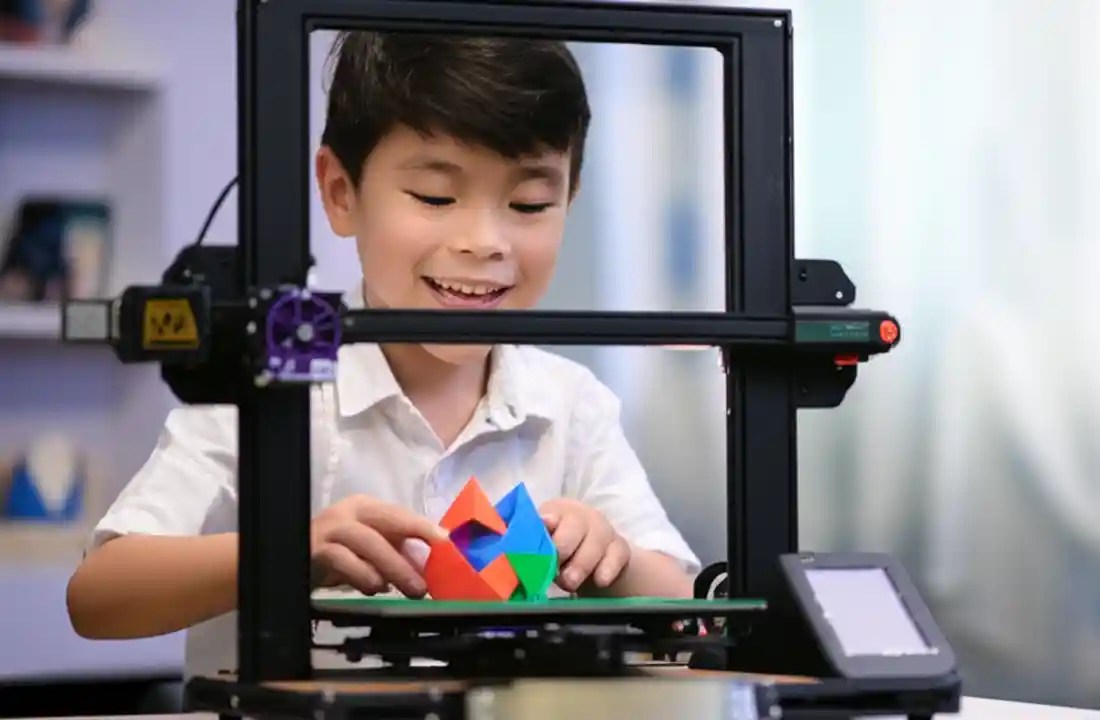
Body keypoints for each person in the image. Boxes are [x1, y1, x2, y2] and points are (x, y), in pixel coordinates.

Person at [65, 31, 699, 678]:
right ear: (341, 192)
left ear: (570, 199)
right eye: (435, 197)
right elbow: (99, 596)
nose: (484, 242)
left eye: (530, 203)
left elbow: (686, 605)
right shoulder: (267, 380)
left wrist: (610, 556)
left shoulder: (573, 404)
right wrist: (290, 551)